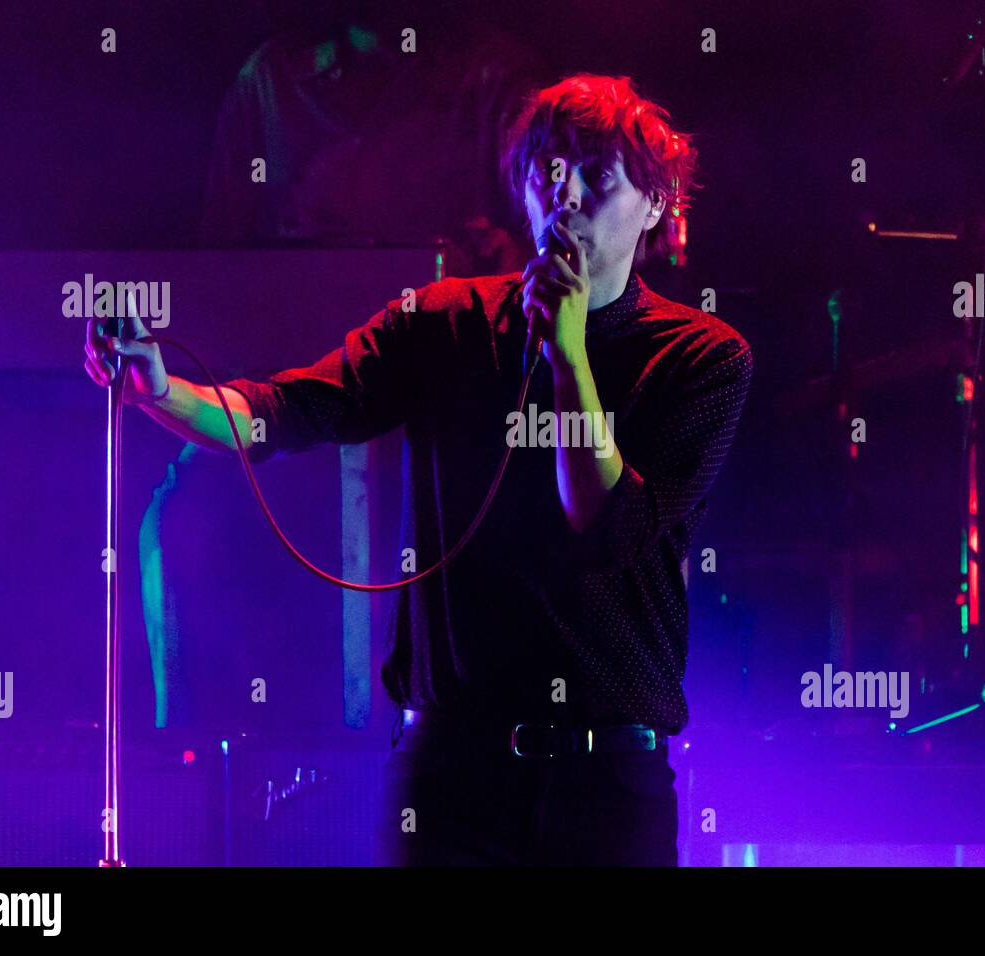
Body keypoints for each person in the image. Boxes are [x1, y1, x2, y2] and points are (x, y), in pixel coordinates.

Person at [82, 74, 753, 866]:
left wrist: (568, 353)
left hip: (604, 781)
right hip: (450, 775)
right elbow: (292, 409)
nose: (564, 193)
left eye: (596, 174)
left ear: (653, 205)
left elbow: (605, 529)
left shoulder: (701, 358)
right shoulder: (447, 322)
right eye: (549, 169)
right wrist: (164, 393)